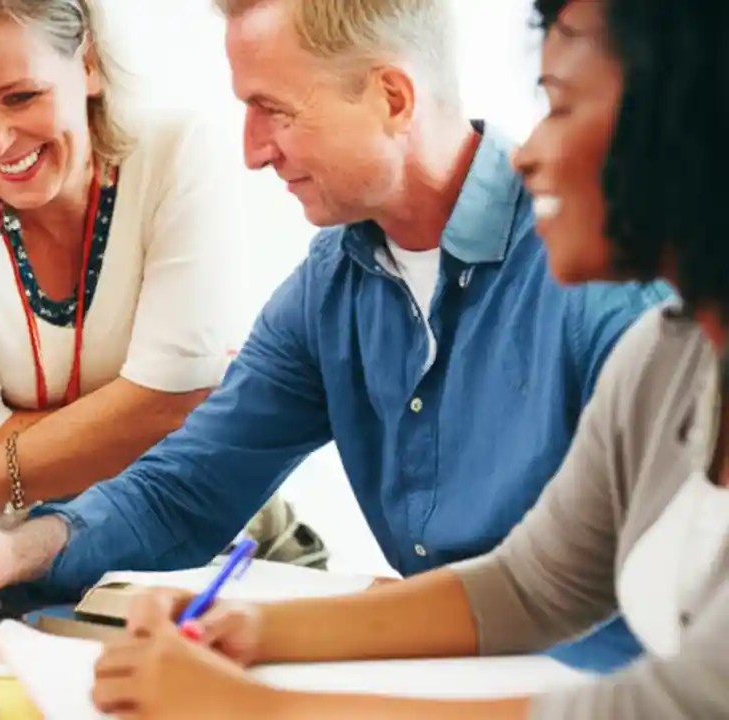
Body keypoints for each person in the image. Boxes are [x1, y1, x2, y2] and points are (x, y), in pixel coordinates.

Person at [0, 0, 673, 671]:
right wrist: (14, 552)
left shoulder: (606, 275)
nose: (251, 151)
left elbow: (641, 606)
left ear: (391, 97)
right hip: (448, 667)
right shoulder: (328, 289)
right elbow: (185, 486)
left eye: (271, 110)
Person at [86, 0, 729, 716]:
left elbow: (664, 707)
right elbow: (529, 586)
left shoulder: (615, 321)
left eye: (562, 105)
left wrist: (257, 708)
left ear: (685, 130)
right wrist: (255, 630)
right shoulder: (664, 362)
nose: (526, 151)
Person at [0, 0, 315, 564]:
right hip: (5, 562)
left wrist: (8, 462)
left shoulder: (176, 153)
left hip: (207, 551)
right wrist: (143, 410)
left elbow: (175, 403)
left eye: (21, 96)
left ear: (87, 64)